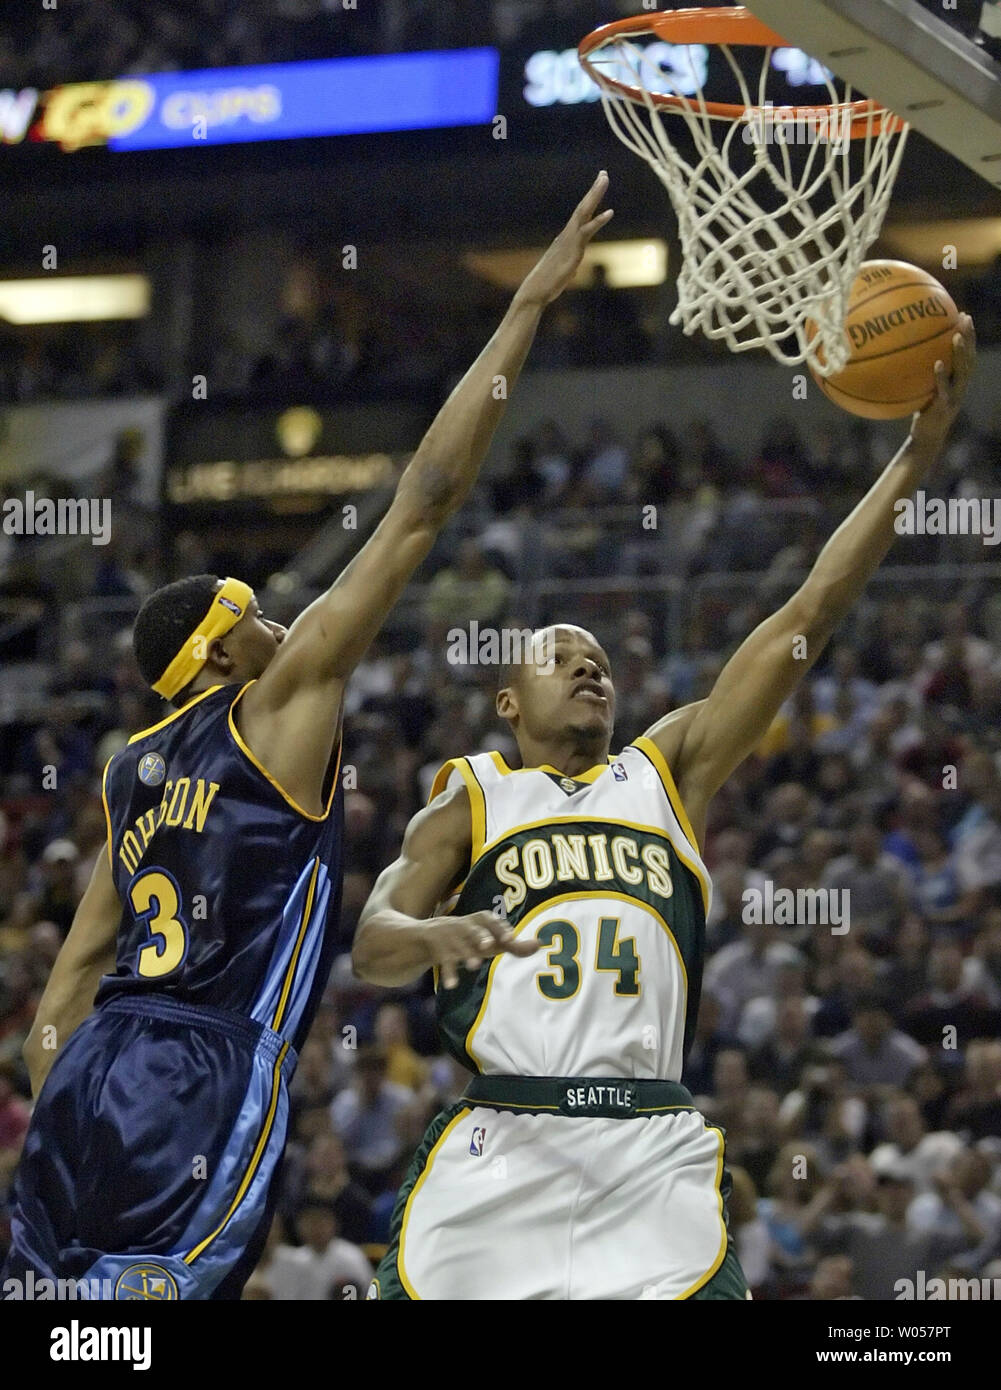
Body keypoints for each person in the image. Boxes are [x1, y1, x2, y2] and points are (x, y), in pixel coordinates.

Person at [0, 174, 614, 1302]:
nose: (281, 622)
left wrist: (73, 1102)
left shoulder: (129, 773)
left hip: (91, 1072)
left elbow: (70, 980)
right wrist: (524, 307)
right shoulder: (274, 708)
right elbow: (422, 501)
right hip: (203, 1066)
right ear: (219, 656)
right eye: (254, 612)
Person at [352, 319, 976, 1300]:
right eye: (559, 655)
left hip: (647, 1139)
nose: (587, 666)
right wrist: (433, 934)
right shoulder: (471, 795)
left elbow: (807, 613)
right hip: (502, 1136)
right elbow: (371, 944)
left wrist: (914, 456)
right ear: (506, 700)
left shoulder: (663, 769)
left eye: (598, 659)